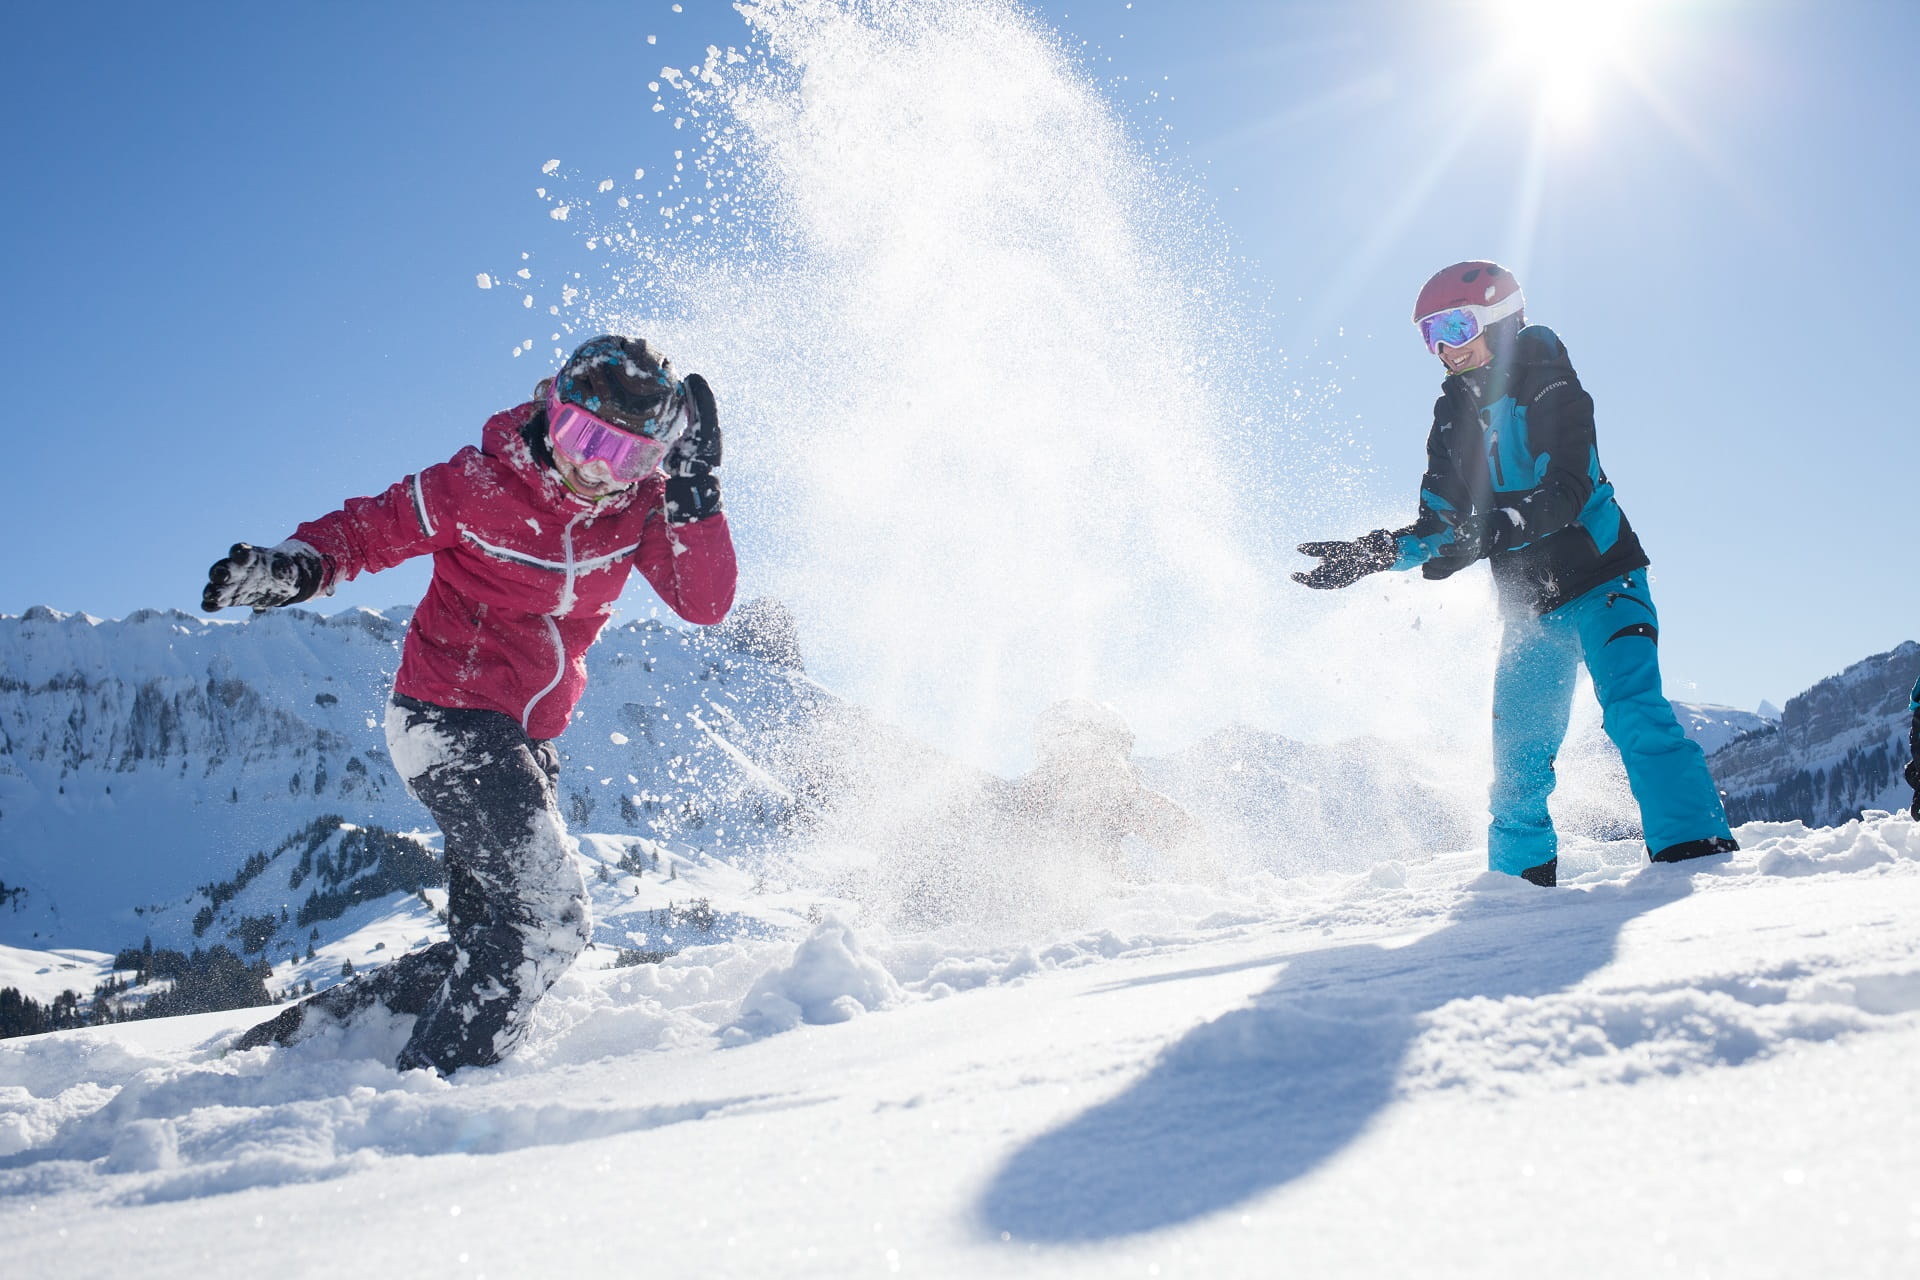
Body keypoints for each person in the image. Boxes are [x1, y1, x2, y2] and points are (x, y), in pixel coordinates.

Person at [208, 335, 737, 1073]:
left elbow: (704, 603)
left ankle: (305, 1040)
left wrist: (694, 491)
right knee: (547, 925)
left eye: (623, 456)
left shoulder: (640, 507)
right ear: (550, 412)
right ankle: (427, 1099)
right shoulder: (479, 484)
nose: (593, 470)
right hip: (445, 719)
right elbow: (368, 530)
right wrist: (295, 568)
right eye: (582, 438)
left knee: (490, 940)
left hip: (525, 744)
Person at [1293, 261, 1735, 886]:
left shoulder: (1550, 384)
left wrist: (1491, 530)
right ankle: (1518, 893)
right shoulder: (1453, 414)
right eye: (1428, 335)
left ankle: (1698, 856)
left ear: (1500, 318)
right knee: (1518, 760)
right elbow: (1443, 522)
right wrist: (1376, 553)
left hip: (1606, 583)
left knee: (1635, 714)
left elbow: (1567, 488)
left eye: (1454, 325)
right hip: (1531, 609)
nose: (1443, 347)